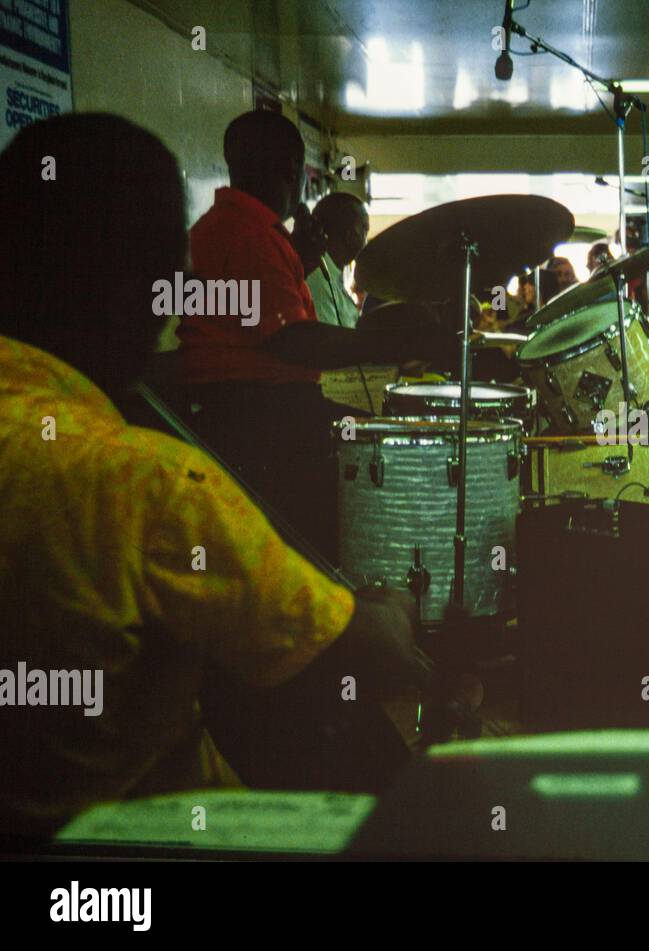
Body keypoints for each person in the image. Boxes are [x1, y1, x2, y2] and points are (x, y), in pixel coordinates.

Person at [0, 114, 442, 836]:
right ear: (155, 284)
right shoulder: (147, 484)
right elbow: (368, 654)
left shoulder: (242, 236)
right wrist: (392, 606)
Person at [177, 111, 458, 563]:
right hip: (263, 416)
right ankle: (343, 592)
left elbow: (242, 318)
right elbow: (294, 342)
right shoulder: (254, 238)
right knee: (389, 454)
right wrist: (405, 342)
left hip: (221, 407)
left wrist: (301, 263)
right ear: (292, 169)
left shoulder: (211, 228)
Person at [306, 192, 369, 329]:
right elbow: (329, 346)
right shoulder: (319, 282)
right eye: (364, 230)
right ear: (350, 235)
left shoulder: (332, 276)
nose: (366, 240)